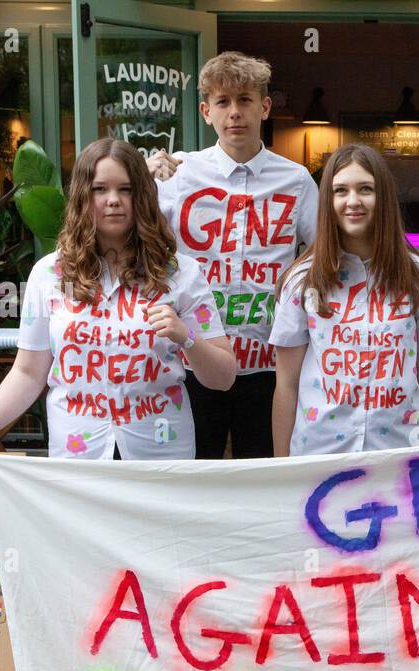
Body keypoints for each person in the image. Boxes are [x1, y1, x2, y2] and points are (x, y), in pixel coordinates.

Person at [0, 138, 235, 466]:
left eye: (125, 189)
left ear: (142, 196)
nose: (113, 200)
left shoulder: (182, 274)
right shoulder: (49, 275)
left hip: (160, 453)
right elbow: (28, 373)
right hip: (77, 457)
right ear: (83, 196)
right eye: (100, 189)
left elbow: (223, 377)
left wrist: (187, 337)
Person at [146, 53, 319, 459]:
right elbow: (143, 244)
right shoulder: (179, 174)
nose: (235, 112)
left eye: (245, 99)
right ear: (207, 111)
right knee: (194, 471)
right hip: (194, 357)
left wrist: (298, 291)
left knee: (259, 473)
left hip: (267, 361)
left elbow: (321, 251)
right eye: (223, 102)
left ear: (265, 106)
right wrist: (145, 182)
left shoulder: (295, 180)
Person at [270, 143, 419, 456]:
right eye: (340, 190)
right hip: (319, 454)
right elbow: (286, 385)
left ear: (383, 197)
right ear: (327, 201)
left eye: (365, 189)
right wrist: (280, 467)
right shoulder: (302, 280)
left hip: (399, 454)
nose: (353, 201)